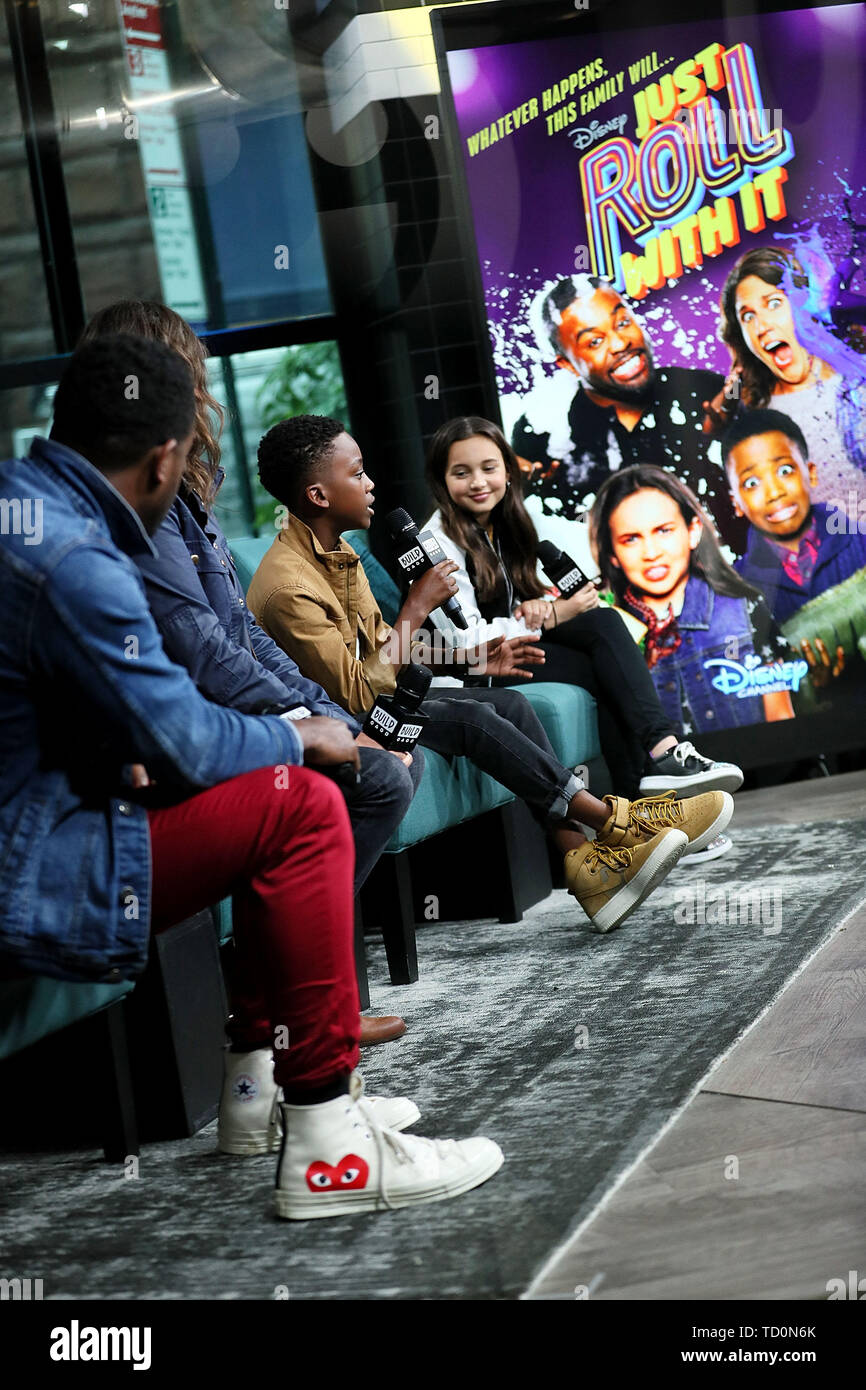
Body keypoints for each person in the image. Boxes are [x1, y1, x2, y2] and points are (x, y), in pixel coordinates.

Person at [0, 335, 503, 1220]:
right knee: (299, 804)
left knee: (284, 788)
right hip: (36, 862)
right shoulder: (77, 557)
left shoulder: (30, 508)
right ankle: (327, 1142)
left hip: (55, 814)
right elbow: (187, 736)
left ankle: (257, 1088)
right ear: (165, 457)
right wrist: (298, 735)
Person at [78, 301, 410, 1069]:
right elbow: (200, 653)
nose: (203, 396)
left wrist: (322, 714)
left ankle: (272, 1039)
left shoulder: (184, 497)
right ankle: (288, 1023)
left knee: (385, 758)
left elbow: (239, 635)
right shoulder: (129, 510)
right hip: (158, 758)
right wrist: (308, 725)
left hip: (198, 725)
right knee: (354, 781)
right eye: (189, 375)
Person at [247, 414, 734, 934]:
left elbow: (387, 651)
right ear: (320, 495)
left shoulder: (338, 553)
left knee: (514, 704)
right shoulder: (287, 586)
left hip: (382, 702)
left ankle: (584, 864)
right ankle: (615, 820)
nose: (371, 484)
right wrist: (416, 605)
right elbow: (357, 692)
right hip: (353, 725)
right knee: (475, 718)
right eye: (359, 473)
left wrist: (473, 662)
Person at [421, 415, 743, 806]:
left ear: (508, 471)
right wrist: (555, 615)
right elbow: (466, 638)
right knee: (601, 661)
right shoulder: (433, 542)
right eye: (461, 472)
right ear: (442, 480)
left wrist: (538, 606)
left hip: (509, 647)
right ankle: (656, 781)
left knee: (604, 624)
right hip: (476, 669)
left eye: (489, 468)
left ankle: (655, 781)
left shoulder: (507, 522)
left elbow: (509, 603)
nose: (478, 482)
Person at [509, 275, 746, 552]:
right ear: (567, 364)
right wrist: (521, 488)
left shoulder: (704, 392)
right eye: (595, 341)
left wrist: (734, 416)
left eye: (623, 323)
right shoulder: (543, 438)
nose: (620, 344)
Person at [590, 465, 797, 735]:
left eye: (663, 530)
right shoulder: (610, 634)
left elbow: (782, 718)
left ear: (693, 531)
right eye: (631, 539)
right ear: (613, 554)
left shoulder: (745, 606)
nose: (651, 552)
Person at [707, 246, 866, 507]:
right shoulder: (755, 405)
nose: (761, 327)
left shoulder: (856, 377)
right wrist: (731, 390)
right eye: (748, 316)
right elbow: (715, 423)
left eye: (773, 303)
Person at [723, 408, 866, 625]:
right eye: (752, 483)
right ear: (737, 504)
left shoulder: (861, 544)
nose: (774, 493)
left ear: (811, 473)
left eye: (785, 471)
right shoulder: (734, 594)